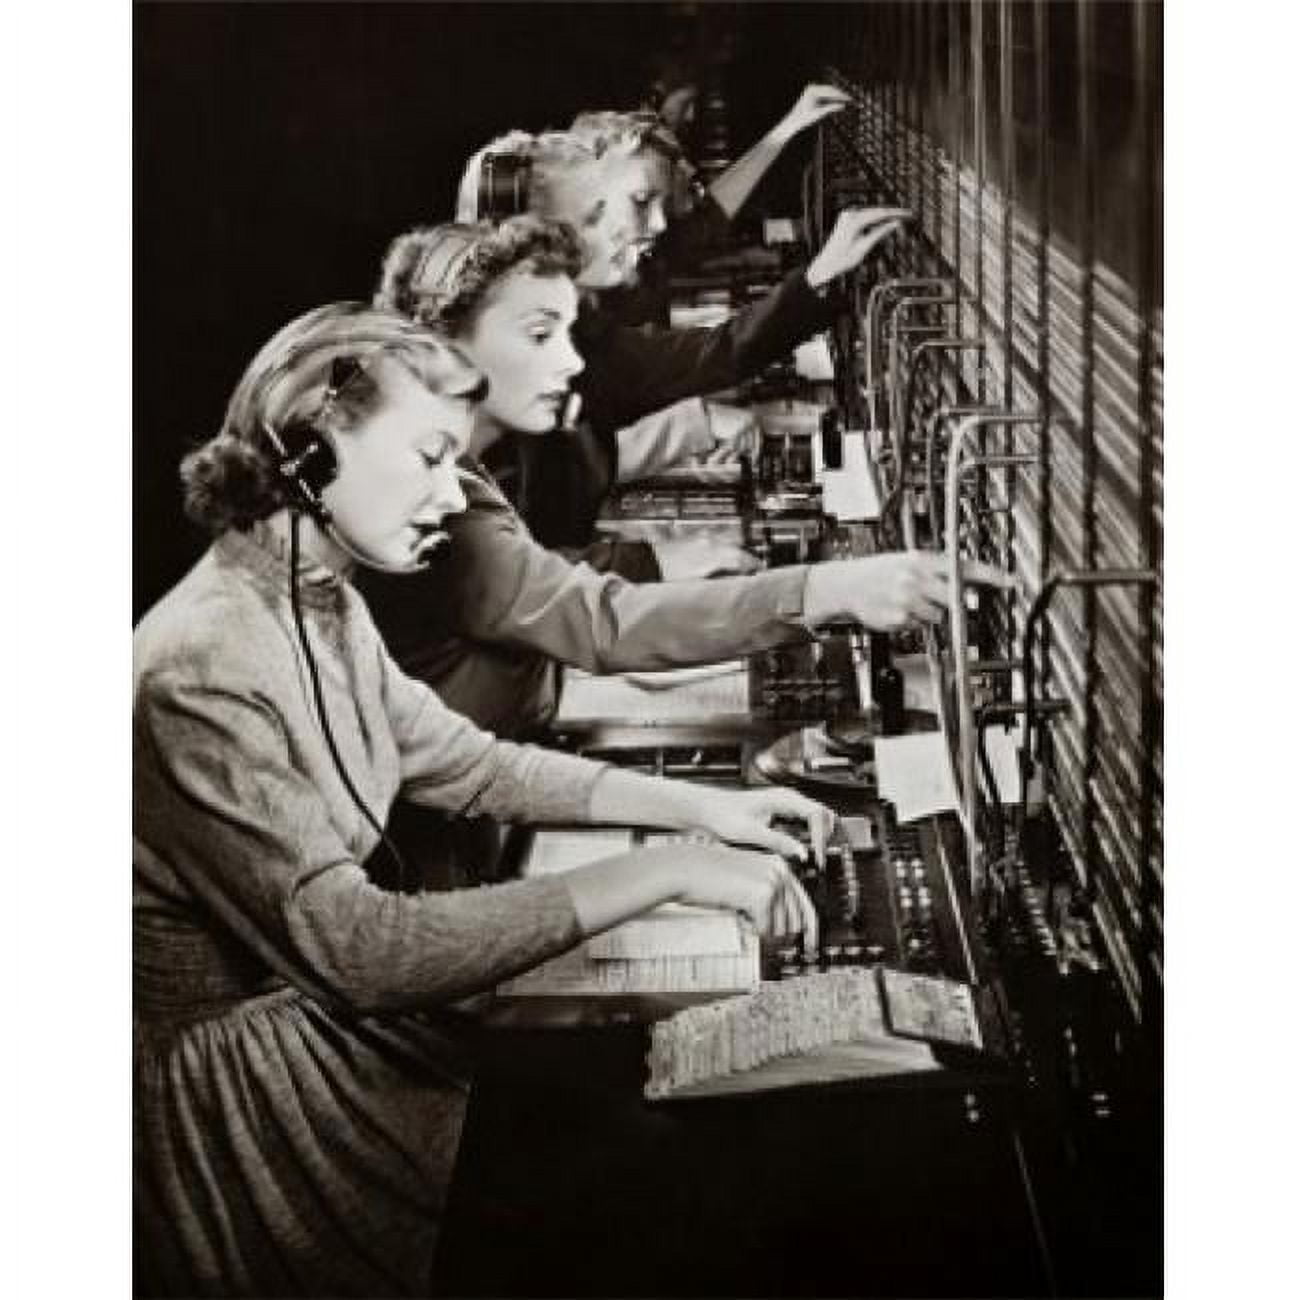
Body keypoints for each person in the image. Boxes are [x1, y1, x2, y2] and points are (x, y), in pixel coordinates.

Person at [133, 303, 834, 1298]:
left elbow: (464, 761)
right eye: (425, 458)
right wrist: (670, 868)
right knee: (666, 1180)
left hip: (341, 1037)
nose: (451, 496)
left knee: (673, 1135)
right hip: (254, 1115)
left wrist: (702, 813)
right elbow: (359, 951)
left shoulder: (312, 591)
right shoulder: (197, 665)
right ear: (309, 454)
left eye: (457, 464)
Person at [361, 217, 1011, 742]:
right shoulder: (428, 497)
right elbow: (603, 623)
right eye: (538, 335)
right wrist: (831, 586)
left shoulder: (458, 459)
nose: (568, 361)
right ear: (444, 347)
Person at [570, 83, 854, 325]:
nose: (660, 223)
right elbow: (716, 354)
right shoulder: (581, 319)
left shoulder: (636, 260)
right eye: (642, 200)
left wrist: (791, 124)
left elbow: (708, 218)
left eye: (663, 204)